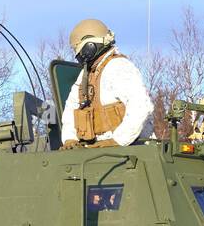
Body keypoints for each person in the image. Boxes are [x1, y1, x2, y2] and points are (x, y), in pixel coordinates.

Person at [60, 18, 155, 147]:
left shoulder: (119, 67)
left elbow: (141, 106)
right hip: (101, 151)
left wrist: (117, 140)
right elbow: (71, 108)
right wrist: (69, 138)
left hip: (134, 148)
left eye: (77, 49)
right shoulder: (86, 75)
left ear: (89, 47)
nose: (77, 55)